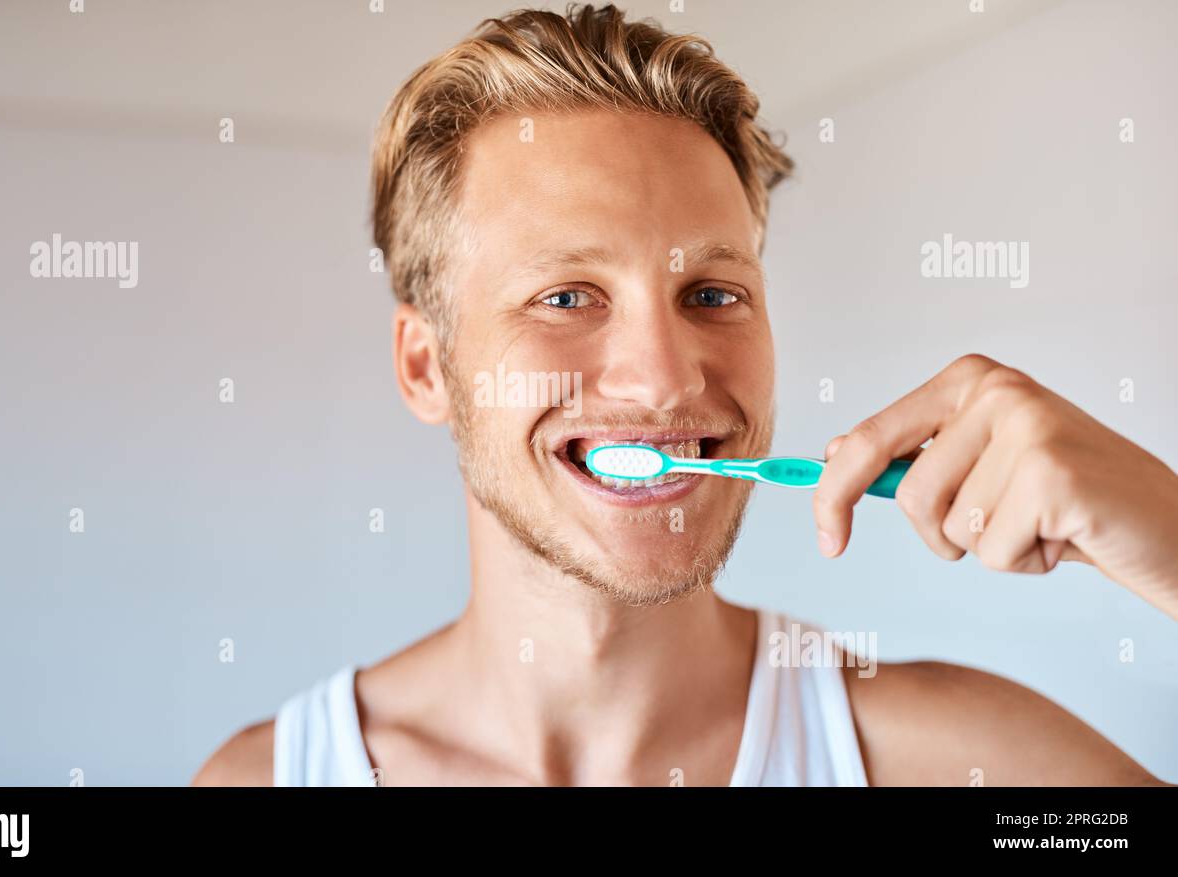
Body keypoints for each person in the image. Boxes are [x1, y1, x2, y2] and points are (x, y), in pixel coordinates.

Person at [194, 4, 1176, 786]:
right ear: (423, 367)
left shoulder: (963, 765)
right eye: (566, 295)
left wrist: (1169, 537)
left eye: (712, 294)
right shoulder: (267, 779)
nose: (665, 379)